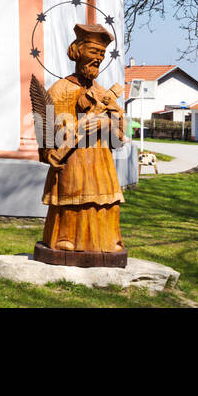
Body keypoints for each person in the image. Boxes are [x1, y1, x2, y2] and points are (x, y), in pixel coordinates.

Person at [38, 22, 126, 255]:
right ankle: (66, 241)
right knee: (73, 201)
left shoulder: (102, 93)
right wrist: (55, 145)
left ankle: (106, 242)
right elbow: (46, 126)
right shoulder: (61, 88)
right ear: (77, 51)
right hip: (73, 161)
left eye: (102, 54)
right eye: (93, 52)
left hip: (100, 163)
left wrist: (106, 123)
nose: (98, 58)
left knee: (106, 203)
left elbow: (119, 135)